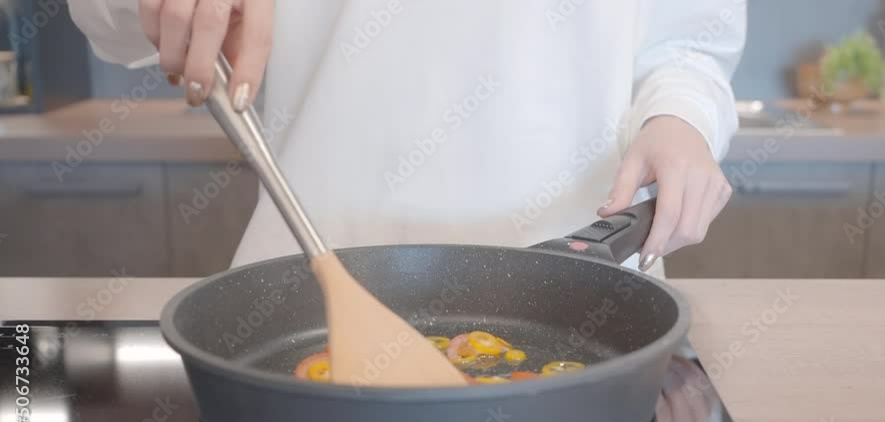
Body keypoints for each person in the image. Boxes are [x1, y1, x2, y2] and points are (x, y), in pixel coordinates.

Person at [68, 0, 745, 272]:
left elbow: (688, 44)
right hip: (301, 303)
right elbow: (107, 19)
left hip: (585, 304)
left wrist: (682, 117)